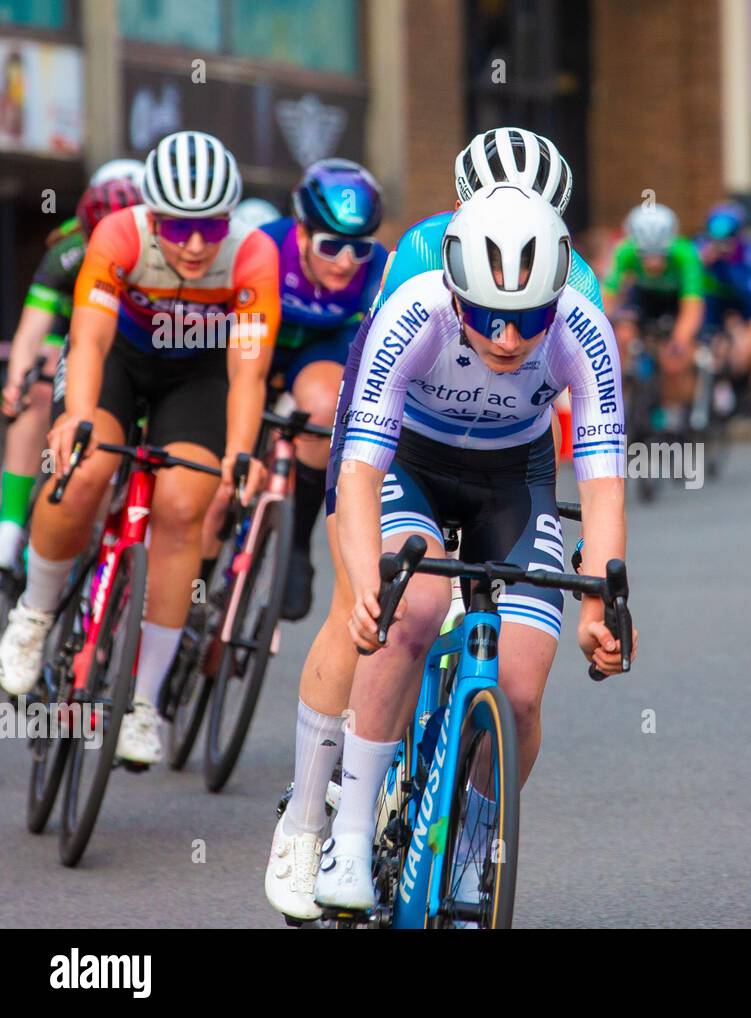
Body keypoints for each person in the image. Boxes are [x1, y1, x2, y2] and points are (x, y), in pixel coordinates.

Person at [265, 126, 605, 920]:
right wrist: (363, 578)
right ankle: (314, 823)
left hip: (508, 466)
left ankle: (468, 852)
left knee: (518, 681)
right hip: (401, 443)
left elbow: (596, 435)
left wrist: (600, 589)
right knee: (385, 610)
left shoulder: (578, 293)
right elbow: (362, 454)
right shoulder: (418, 265)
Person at [0, 131, 282, 769]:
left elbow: (246, 373)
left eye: (209, 227)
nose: (192, 243)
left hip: (198, 375)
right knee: (88, 464)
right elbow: (91, 342)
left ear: (229, 219)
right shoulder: (119, 236)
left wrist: (240, 451)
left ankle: (144, 703)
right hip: (118, 362)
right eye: (177, 227)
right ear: (153, 216)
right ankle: (35, 613)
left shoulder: (252, 255)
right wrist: (73, 417)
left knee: (187, 504)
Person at [258, 159, 386, 620]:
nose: (347, 261)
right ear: (301, 231)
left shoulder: (379, 271)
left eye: (360, 247)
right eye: (331, 246)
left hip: (318, 350)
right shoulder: (265, 248)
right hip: (259, 341)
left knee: (322, 410)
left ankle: (295, 546)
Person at [0, 176, 142, 574]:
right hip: (66, 331)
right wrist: (17, 383)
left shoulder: (154, 256)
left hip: (122, 339)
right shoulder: (67, 251)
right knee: (38, 383)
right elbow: (31, 330)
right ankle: (9, 526)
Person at [602, 203, 705, 431]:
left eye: (659, 256)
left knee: (674, 359)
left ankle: (674, 409)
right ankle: (626, 390)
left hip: (676, 302)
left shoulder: (685, 254)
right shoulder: (624, 251)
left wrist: (679, 341)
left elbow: (692, 308)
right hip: (643, 299)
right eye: (646, 256)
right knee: (622, 334)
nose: (653, 263)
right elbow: (606, 298)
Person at [696, 201, 751, 411]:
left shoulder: (750, 252)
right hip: (712, 306)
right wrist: (703, 262)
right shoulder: (699, 248)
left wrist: (730, 267)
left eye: (727, 240)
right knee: (711, 346)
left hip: (744, 305)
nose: (721, 245)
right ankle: (714, 386)